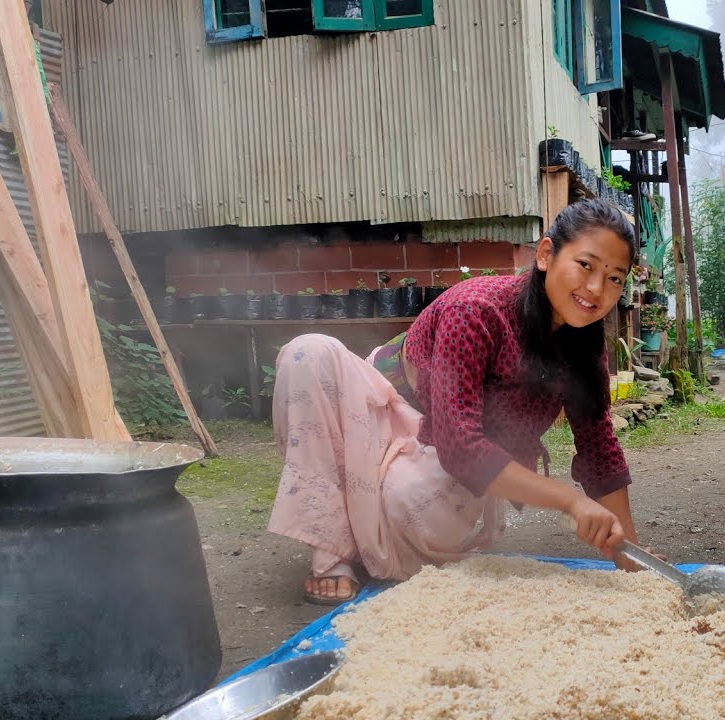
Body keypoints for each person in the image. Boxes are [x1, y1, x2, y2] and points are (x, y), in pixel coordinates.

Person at [267, 199, 654, 605]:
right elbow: (462, 447)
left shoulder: (584, 349)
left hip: (437, 455)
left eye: (614, 278)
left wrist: (627, 552)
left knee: (422, 509)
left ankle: (372, 527)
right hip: (382, 412)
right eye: (586, 265)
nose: (596, 289)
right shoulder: (475, 309)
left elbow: (599, 449)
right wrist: (570, 501)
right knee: (308, 354)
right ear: (545, 254)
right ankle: (331, 557)